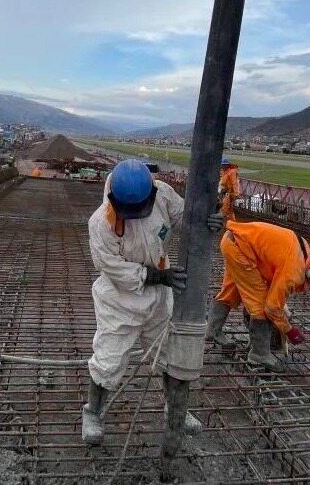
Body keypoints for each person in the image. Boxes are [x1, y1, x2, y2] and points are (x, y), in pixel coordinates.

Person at [82, 159, 206, 445]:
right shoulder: (101, 223)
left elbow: (185, 218)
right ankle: (93, 412)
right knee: (108, 361)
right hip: (120, 300)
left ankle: (175, 409)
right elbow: (113, 268)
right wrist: (156, 276)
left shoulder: (162, 193)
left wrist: (205, 221)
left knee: (168, 356)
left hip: (159, 296)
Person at [206, 219, 310, 371]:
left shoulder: (303, 250)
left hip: (232, 241)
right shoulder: (295, 272)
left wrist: (280, 303)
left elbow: (271, 269)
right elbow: (271, 308)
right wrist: (289, 330)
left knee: (230, 291)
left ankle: (213, 331)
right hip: (242, 250)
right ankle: (259, 355)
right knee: (260, 308)